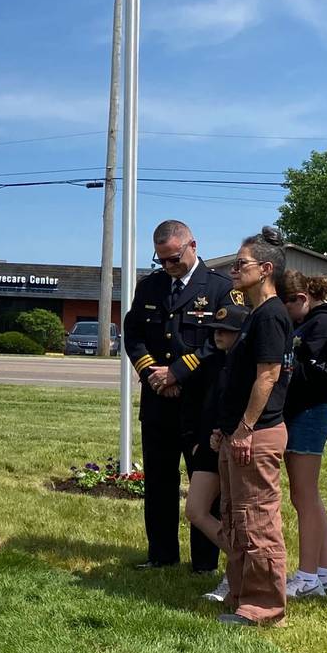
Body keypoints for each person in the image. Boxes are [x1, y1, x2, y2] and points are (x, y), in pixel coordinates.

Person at [122, 220, 235, 570]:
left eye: (174, 258)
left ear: (192, 246)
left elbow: (218, 343)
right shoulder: (150, 286)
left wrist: (178, 372)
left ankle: (204, 562)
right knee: (159, 480)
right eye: (162, 260)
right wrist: (152, 374)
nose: (169, 266)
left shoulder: (220, 288)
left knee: (204, 479)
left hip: (201, 402)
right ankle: (161, 555)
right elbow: (133, 334)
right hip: (158, 400)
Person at [212, 227, 293, 628]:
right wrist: (226, 428)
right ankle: (242, 595)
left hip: (257, 435)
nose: (233, 269)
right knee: (236, 518)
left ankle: (264, 608)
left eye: (240, 263)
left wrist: (245, 428)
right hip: (239, 433)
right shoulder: (255, 314)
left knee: (256, 519)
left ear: (265, 269)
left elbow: (268, 376)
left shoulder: (272, 315)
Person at [279, 271, 327, 599]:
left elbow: (315, 375)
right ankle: (325, 572)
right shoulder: (311, 322)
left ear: (302, 298)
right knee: (307, 496)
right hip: (303, 413)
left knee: (304, 497)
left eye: (287, 306)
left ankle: (307, 577)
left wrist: (283, 369)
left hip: (308, 413)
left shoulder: (323, 325)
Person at [183, 300, 248, 603]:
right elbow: (197, 404)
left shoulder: (247, 365)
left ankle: (234, 574)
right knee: (195, 510)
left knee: (236, 515)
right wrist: (197, 439)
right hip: (208, 447)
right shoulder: (210, 362)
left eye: (226, 330)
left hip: (236, 445)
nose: (218, 334)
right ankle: (242, 559)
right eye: (215, 329)